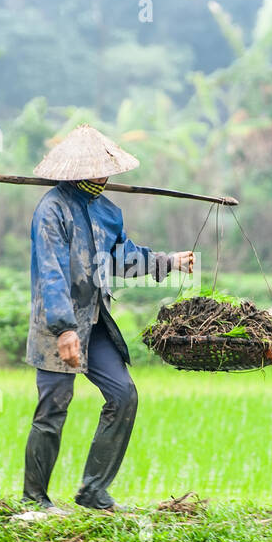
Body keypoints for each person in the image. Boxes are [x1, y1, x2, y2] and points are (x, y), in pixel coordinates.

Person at [23, 126, 195, 513]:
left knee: (123, 394)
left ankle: (92, 491)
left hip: (95, 318)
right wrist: (64, 329)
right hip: (57, 321)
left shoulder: (107, 211)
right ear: (75, 171)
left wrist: (168, 262)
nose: (104, 178)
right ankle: (34, 498)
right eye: (96, 171)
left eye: (106, 171)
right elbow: (50, 273)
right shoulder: (52, 210)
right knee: (53, 407)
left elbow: (122, 257)